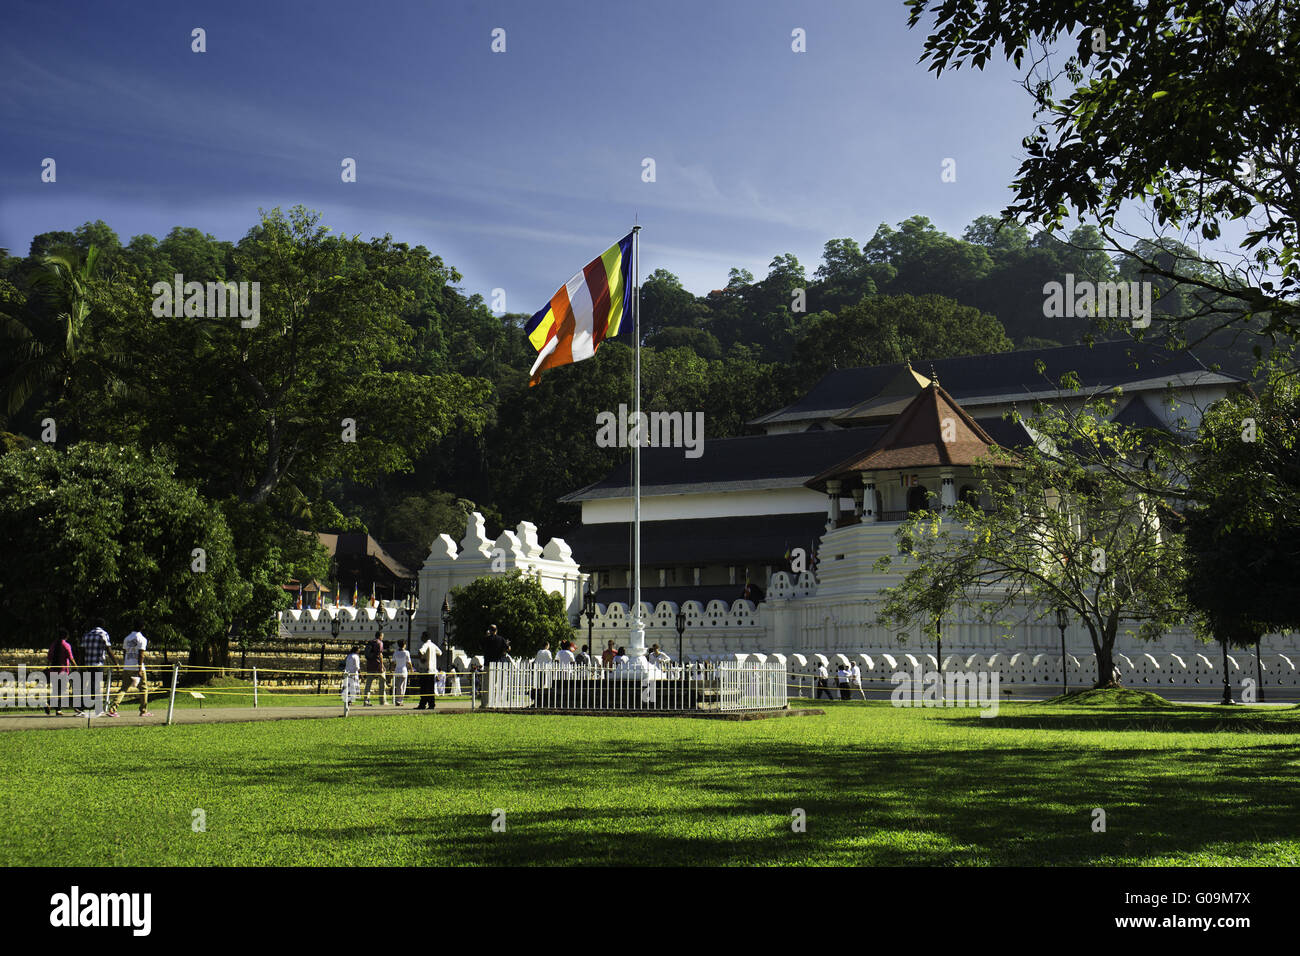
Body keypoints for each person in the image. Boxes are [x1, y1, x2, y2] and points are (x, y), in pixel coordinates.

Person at [109, 620, 151, 717]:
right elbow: (141, 654)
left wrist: (126, 663)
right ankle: (143, 710)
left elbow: (124, 652)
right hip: (137, 667)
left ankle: (113, 708)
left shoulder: (127, 638)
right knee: (144, 689)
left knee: (123, 688)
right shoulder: (142, 639)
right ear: (142, 627)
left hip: (127, 666)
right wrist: (140, 668)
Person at [76, 621, 116, 717]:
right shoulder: (103, 634)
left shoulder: (87, 635)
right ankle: (91, 707)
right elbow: (108, 649)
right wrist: (116, 663)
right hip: (98, 663)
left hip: (88, 663)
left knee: (92, 684)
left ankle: (82, 705)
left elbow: (82, 650)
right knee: (95, 686)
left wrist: (80, 665)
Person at [45, 631, 77, 716]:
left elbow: (49, 657)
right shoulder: (66, 645)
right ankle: (49, 703)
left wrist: (47, 667)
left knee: (56, 691)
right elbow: (71, 658)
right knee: (62, 692)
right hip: (63, 671)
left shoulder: (53, 645)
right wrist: (76, 666)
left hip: (53, 671)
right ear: (66, 636)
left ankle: (58, 710)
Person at [416, 631, 441, 711]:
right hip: (433, 670)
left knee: (424, 688)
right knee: (430, 688)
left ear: (425, 637)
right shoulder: (433, 645)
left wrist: (422, 659)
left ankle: (422, 704)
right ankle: (431, 704)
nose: (421, 638)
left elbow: (420, 651)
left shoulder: (426, 644)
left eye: (422, 636)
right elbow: (440, 653)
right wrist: (432, 658)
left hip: (425, 670)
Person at [363, 631, 388, 706]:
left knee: (368, 684)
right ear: (380, 636)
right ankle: (382, 701)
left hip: (370, 665)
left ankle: (366, 701)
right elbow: (380, 655)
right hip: (378, 665)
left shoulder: (370, 642)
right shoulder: (380, 643)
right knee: (382, 684)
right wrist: (382, 665)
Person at [342, 645, 361, 716]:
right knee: (353, 688)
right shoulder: (356, 656)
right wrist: (360, 672)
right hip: (353, 673)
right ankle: (350, 700)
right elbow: (357, 666)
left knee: (348, 687)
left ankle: (348, 700)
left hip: (347, 673)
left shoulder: (349, 656)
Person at [392, 640, 412, 706]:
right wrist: (411, 669)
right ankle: (399, 700)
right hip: (403, 670)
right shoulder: (406, 652)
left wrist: (391, 669)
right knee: (402, 686)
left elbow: (393, 662)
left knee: (398, 686)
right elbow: (409, 662)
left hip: (397, 670)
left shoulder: (395, 652)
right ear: (404, 645)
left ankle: (398, 700)